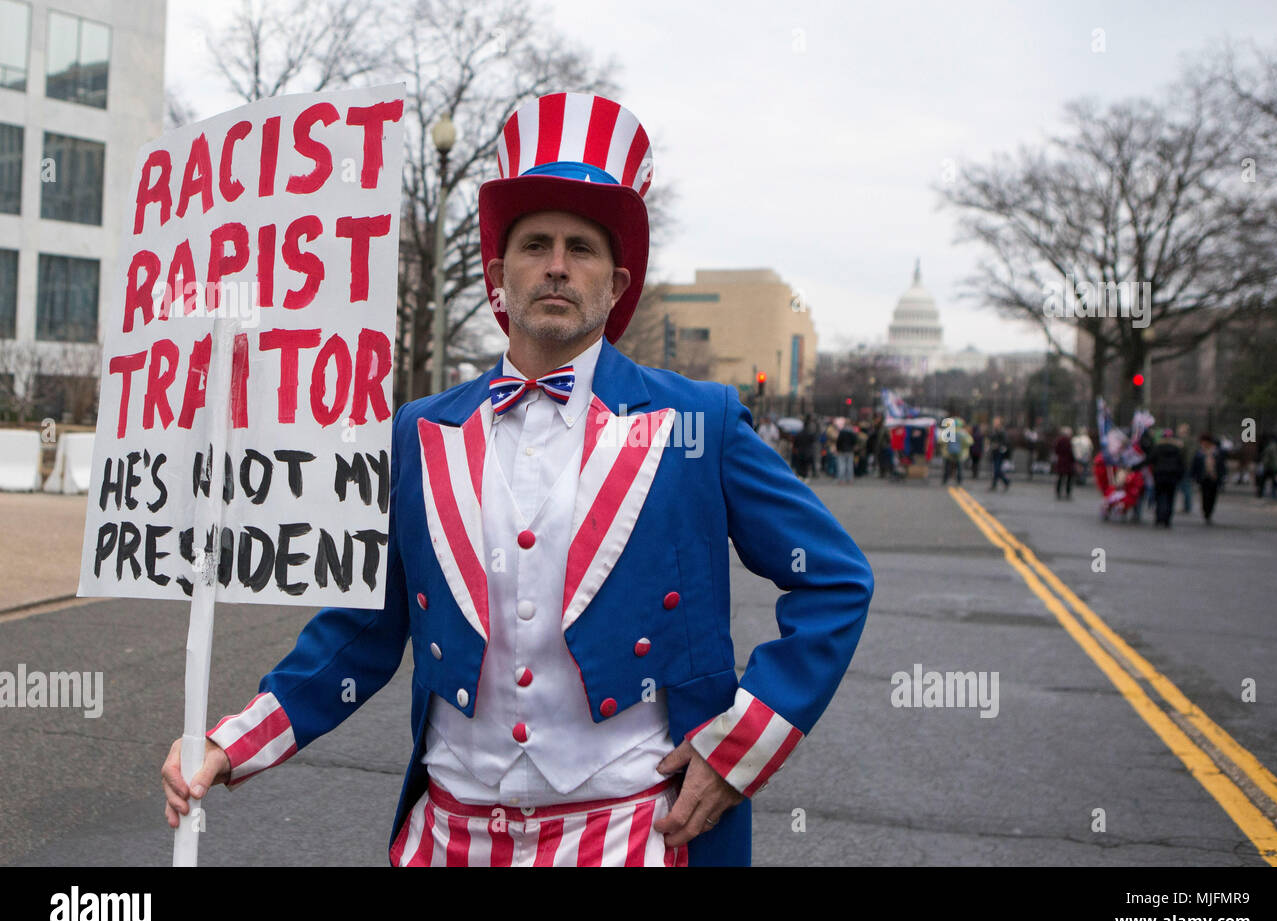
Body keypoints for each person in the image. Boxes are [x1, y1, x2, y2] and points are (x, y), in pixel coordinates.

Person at [160, 93, 873, 868]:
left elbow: (834, 578)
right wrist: (229, 744)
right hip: (449, 835)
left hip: (633, 833)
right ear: (499, 275)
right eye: (535, 244)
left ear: (617, 280)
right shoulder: (420, 431)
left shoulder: (699, 421)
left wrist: (740, 751)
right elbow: (361, 629)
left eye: (582, 247)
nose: (558, 265)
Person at [1148, 428, 1186, 528]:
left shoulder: (1157, 448)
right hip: (1172, 476)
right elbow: (1181, 464)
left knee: (1159, 497)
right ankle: (1167, 519)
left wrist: (1135, 467)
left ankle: (1159, 517)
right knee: (1170, 498)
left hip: (1159, 475)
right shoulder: (1177, 449)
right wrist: (1179, 475)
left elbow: (1150, 460)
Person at [1190, 432, 1227, 524]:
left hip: (1214, 477)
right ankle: (1206, 512)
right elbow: (1195, 465)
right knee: (1205, 496)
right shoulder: (1200, 452)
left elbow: (1222, 466)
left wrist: (1222, 476)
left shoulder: (1217, 452)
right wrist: (1194, 476)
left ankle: (1209, 512)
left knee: (1212, 496)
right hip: (1204, 477)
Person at [1175, 423, 1195, 513]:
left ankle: (1187, 506)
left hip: (1183, 467)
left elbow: (1183, 455)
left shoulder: (1183, 441)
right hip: (1187, 467)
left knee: (1185, 487)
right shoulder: (1191, 441)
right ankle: (1187, 506)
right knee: (1186, 487)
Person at [792, 415, 818, 482]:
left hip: (800, 451)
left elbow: (795, 443)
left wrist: (795, 449)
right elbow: (813, 441)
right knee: (806, 465)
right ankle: (805, 476)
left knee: (800, 465)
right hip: (808, 451)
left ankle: (800, 475)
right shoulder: (810, 434)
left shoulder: (799, 434)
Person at [1052, 427, 1076, 500]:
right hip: (1067, 462)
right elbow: (1071, 452)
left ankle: (1058, 492)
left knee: (1060, 477)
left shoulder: (1059, 440)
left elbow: (1056, 450)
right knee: (1069, 478)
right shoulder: (1069, 441)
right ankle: (1067, 492)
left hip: (1061, 461)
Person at [988, 417, 1011, 491]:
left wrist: (997, 445)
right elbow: (991, 439)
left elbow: (1006, 442)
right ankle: (994, 485)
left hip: (1000, 452)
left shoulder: (1002, 431)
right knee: (995, 469)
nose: (994, 423)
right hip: (994, 452)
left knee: (997, 469)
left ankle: (1006, 481)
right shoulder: (994, 431)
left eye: (996, 422)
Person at [835, 420, 857, 484]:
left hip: (842, 450)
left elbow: (838, 441)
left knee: (842, 465)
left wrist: (838, 449)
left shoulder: (842, 432)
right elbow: (855, 440)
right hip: (850, 450)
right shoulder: (852, 432)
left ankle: (841, 479)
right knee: (850, 465)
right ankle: (850, 479)